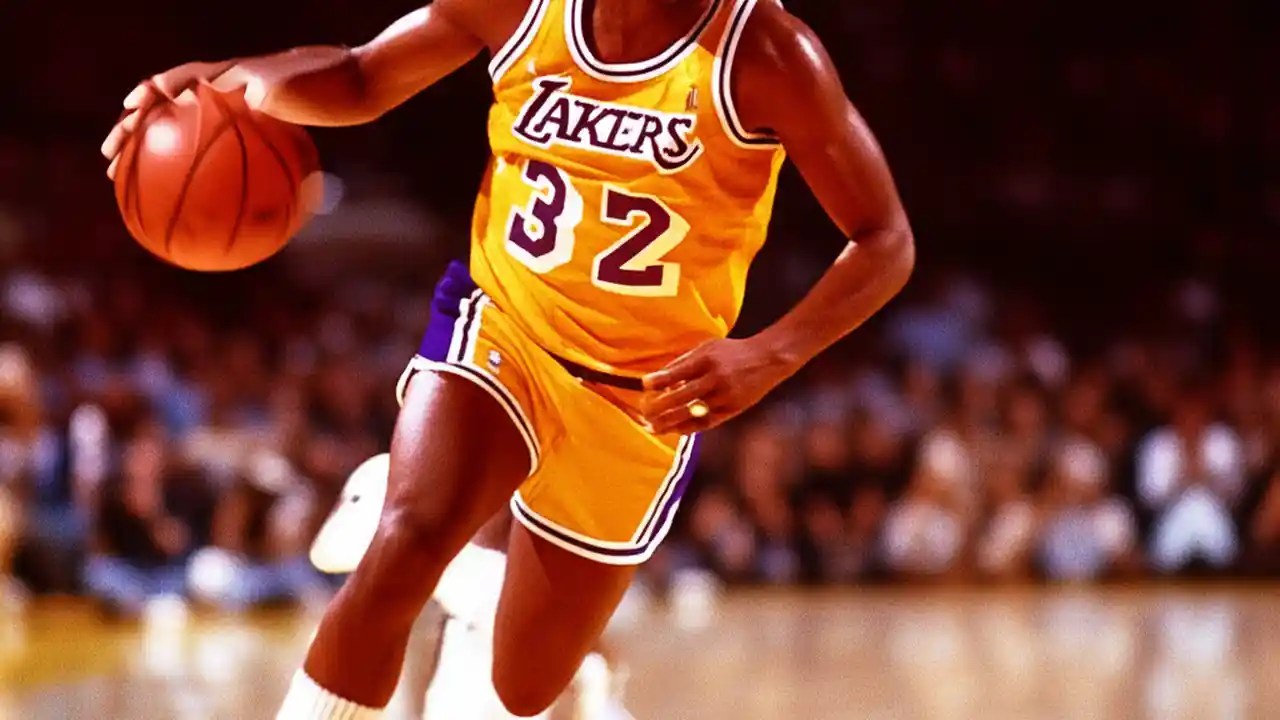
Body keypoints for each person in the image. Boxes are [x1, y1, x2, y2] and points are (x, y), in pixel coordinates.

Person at [101, 0, 915, 716]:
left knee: (523, 686)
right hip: (506, 328)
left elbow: (884, 240)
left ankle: (427, 512)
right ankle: (414, 508)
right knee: (407, 545)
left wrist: (769, 354)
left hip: (640, 397)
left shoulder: (765, 52)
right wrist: (241, 79)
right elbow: (360, 76)